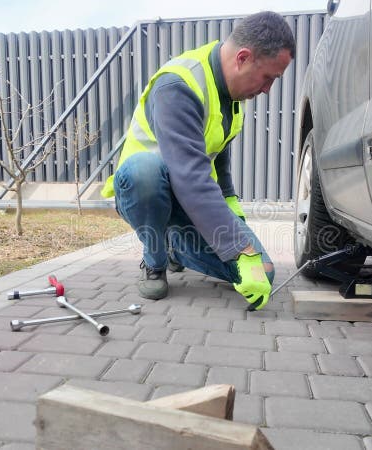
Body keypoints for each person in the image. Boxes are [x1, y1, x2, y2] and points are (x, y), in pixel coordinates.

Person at [100, 11, 295, 310]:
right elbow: (191, 178)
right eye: (268, 77)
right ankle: (155, 259)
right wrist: (240, 249)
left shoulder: (231, 99)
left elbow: (219, 168)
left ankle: (176, 247)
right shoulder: (178, 85)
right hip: (145, 192)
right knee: (146, 172)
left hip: (188, 203)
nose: (268, 89)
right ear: (242, 58)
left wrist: (238, 228)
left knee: (263, 273)